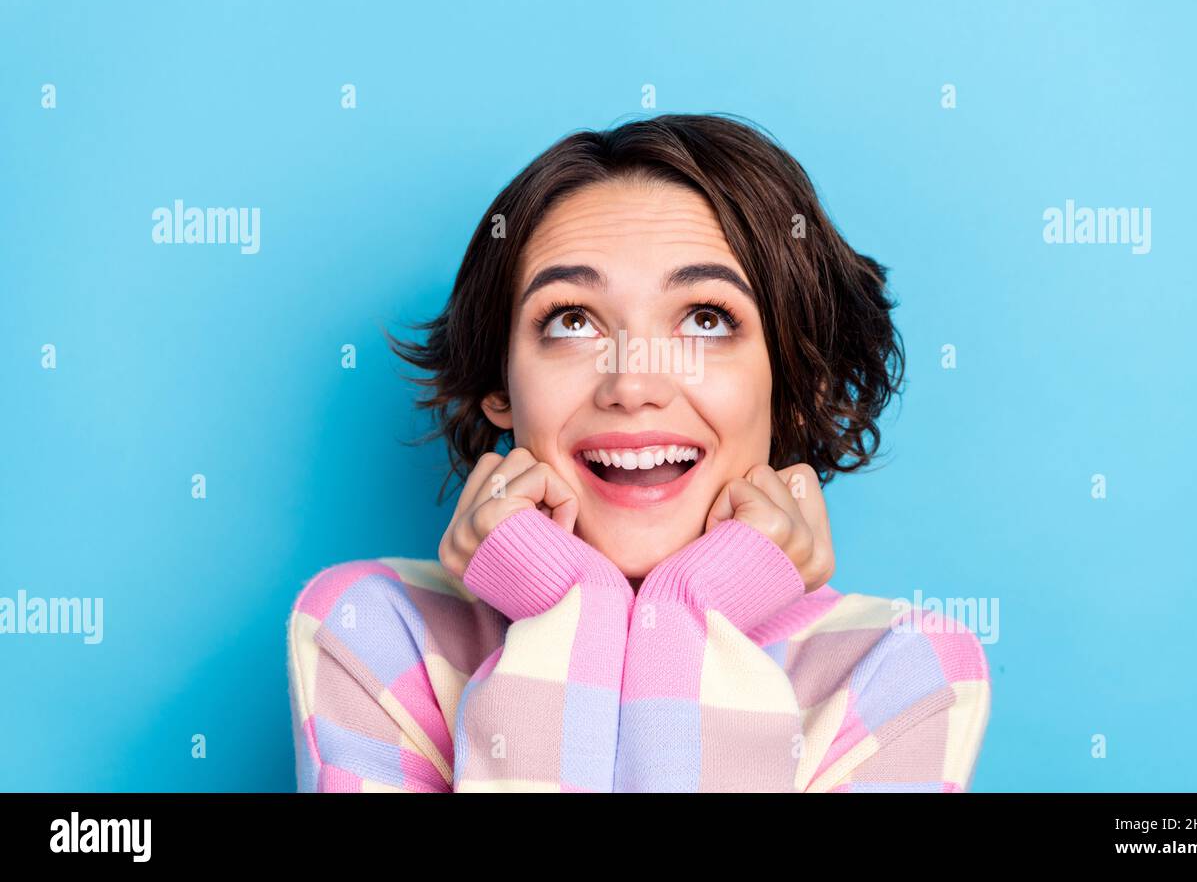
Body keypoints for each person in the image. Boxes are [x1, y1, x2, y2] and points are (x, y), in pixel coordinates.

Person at [286, 113, 991, 792]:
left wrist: (687, 613)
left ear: (796, 387)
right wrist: (579, 607)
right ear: (497, 384)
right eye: (571, 320)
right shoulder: (373, 628)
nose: (632, 383)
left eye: (707, 320)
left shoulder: (902, 670)